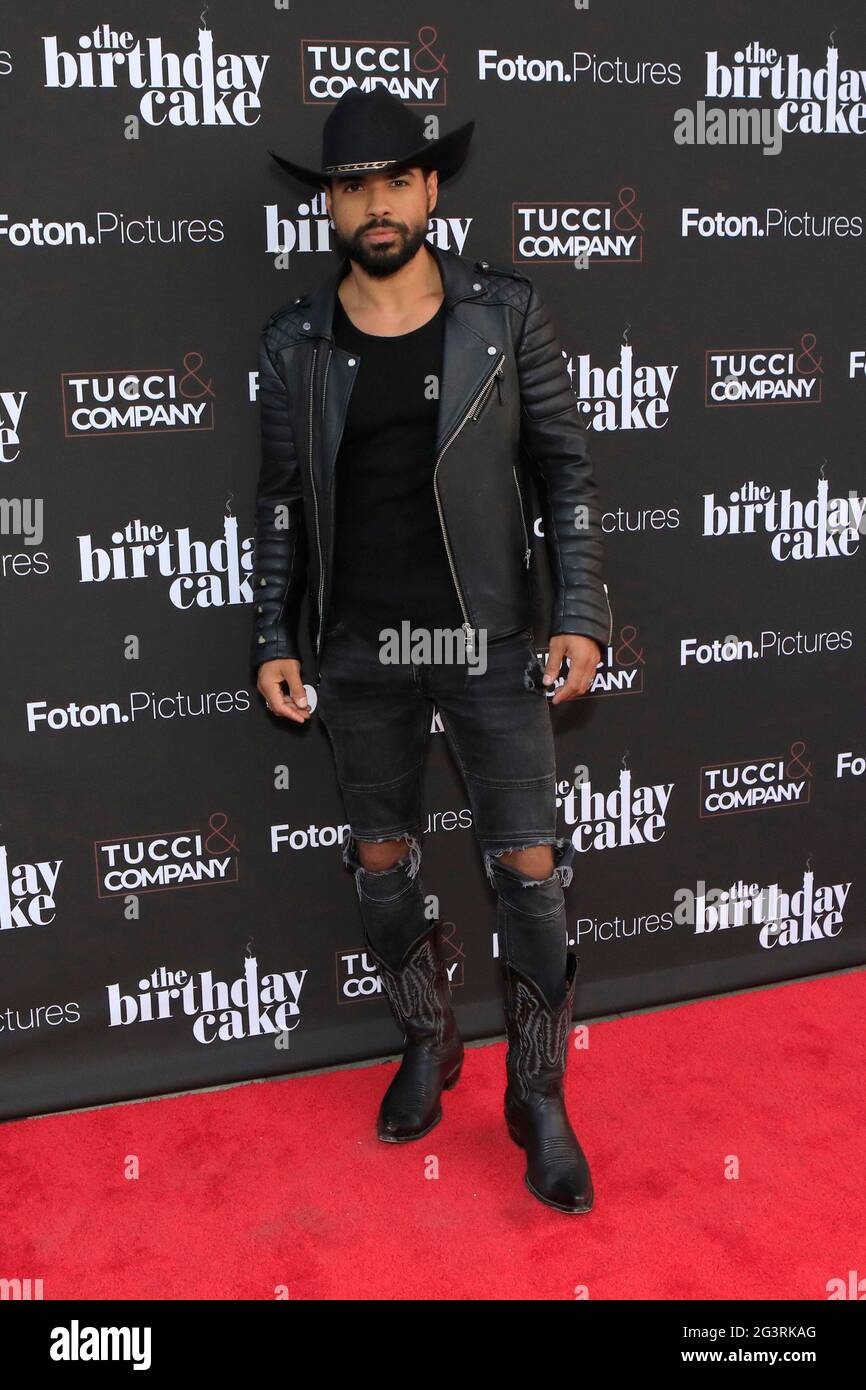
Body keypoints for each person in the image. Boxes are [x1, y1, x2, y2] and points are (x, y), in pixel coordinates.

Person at [251, 88, 613, 1214]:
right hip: (356, 646)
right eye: (351, 185)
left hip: (490, 637)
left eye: (395, 180)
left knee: (529, 870)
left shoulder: (504, 314)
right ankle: (427, 1038)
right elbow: (279, 505)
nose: (375, 202)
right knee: (377, 859)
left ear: (429, 189)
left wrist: (580, 610)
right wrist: (273, 629)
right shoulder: (295, 341)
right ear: (328, 206)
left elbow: (563, 469)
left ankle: (539, 1096)